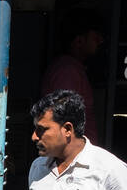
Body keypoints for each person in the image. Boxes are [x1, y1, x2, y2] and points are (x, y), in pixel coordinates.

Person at [40, 9, 105, 142]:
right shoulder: (68, 71)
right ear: (79, 41)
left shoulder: (72, 69)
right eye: (95, 37)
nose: (100, 41)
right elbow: (64, 120)